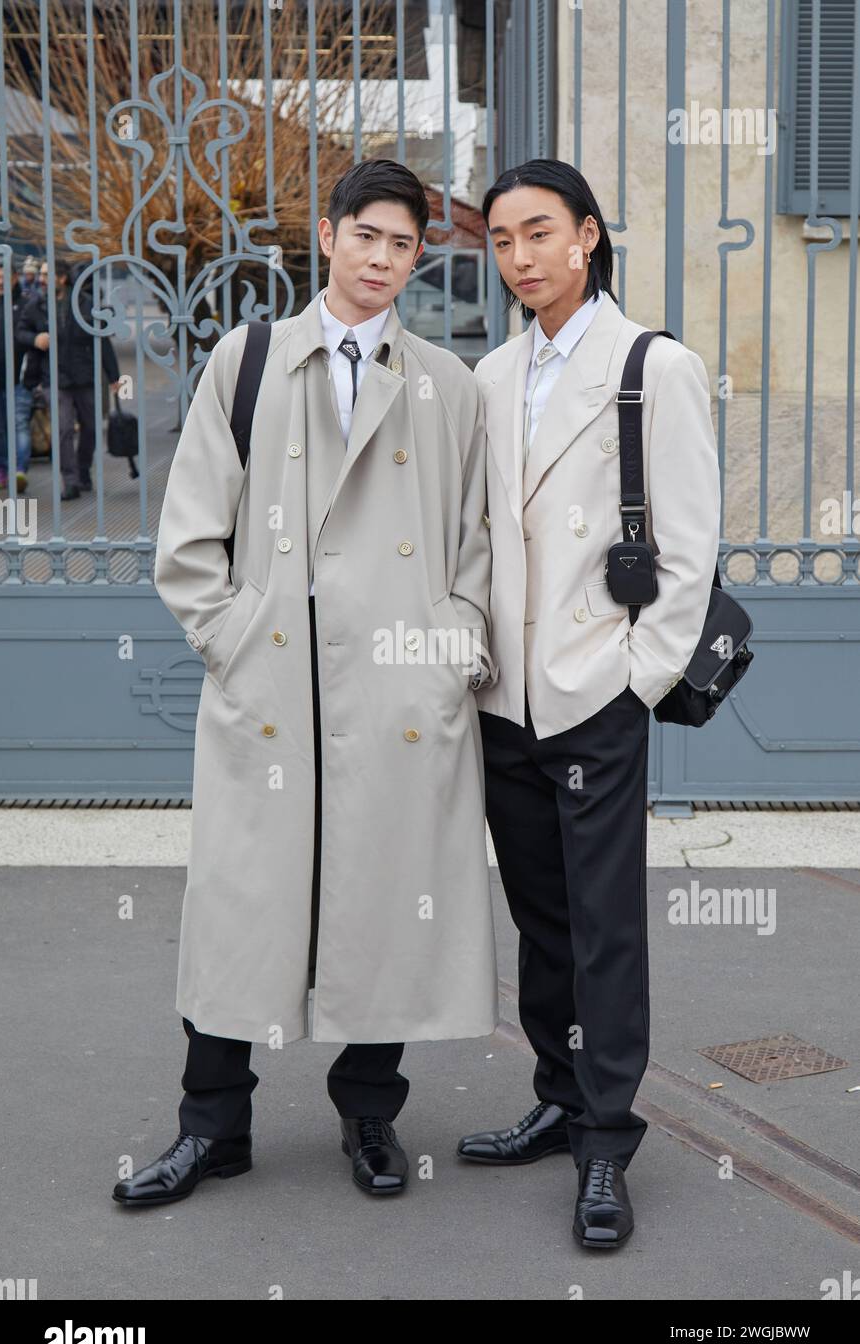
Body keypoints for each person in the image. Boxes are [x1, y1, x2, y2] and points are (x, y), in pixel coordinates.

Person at [113, 158, 499, 1208]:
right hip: (274, 688)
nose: (382, 259)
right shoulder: (247, 362)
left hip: (395, 696)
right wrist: (236, 641)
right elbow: (189, 537)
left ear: (418, 260)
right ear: (327, 236)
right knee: (239, 905)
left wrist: (448, 655)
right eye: (366, 235)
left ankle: (370, 1116)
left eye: (403, 244)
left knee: (386, 901)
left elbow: (474, 550)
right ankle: (212, 1126)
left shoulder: (448, 385)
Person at [457, 159, 721, 1250]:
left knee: (604, 924)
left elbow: (689, 545)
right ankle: (559, 1096)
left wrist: (636, 678)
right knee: (541, 918)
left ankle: (606, 1138)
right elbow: (479, 535)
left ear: (588, 236)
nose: (519, 258)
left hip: (594, 693)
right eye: (501, 240)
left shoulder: (653, 366)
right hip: (504, 699)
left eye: (538, 233)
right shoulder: (488, 376)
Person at [16, 259, 120, 499]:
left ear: (61, 278)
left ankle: (83, 471)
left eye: (46, 275)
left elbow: (102, 340)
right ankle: (70, 481)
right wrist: (35, 339)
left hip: (84, 375)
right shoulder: (36, 305)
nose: (41, 279)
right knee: (63, 429)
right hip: (53, 377)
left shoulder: (86, 304)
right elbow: (20, 331)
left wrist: (114, 376)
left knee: (91, 428)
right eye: (41, 274)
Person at [0, 260, 34, 492]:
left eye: (2, 277)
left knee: (20, 424)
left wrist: (31, 376)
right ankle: (0, 470)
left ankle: (19, 470)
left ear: (14, 278)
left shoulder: (26, 304)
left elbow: (34, 337)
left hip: (20, 378)